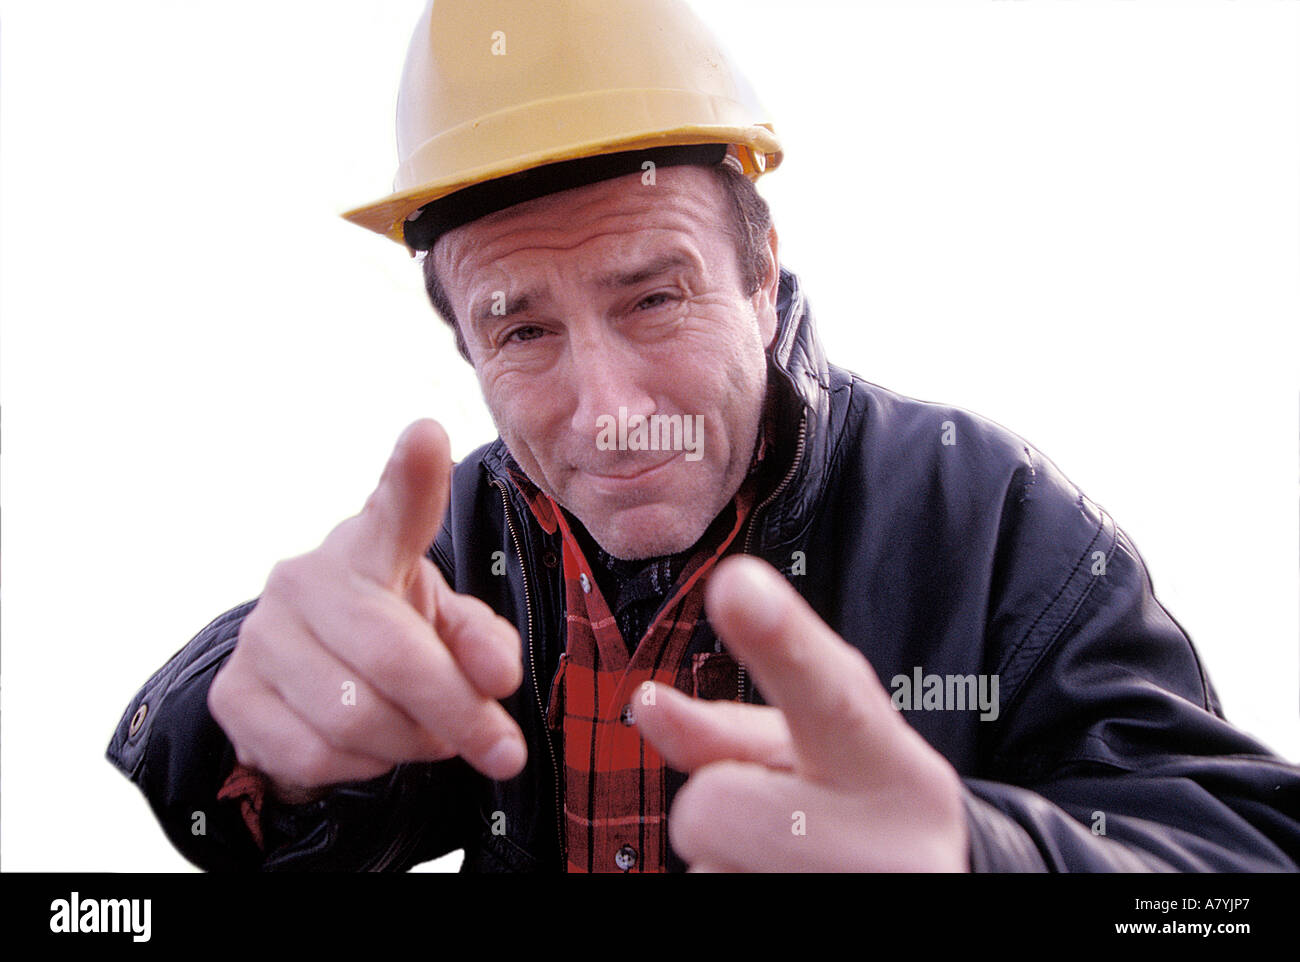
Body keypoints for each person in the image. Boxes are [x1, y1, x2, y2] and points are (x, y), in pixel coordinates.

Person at [107, 0, 1300, 873]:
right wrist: (266, 741)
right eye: (521, 332)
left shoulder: (989, 518)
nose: (609, 407)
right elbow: (218, 800)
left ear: (762, 274)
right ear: (465, 350)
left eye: (653, 297)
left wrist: (979, 856)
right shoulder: (456, 545)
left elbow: (1239, 860)